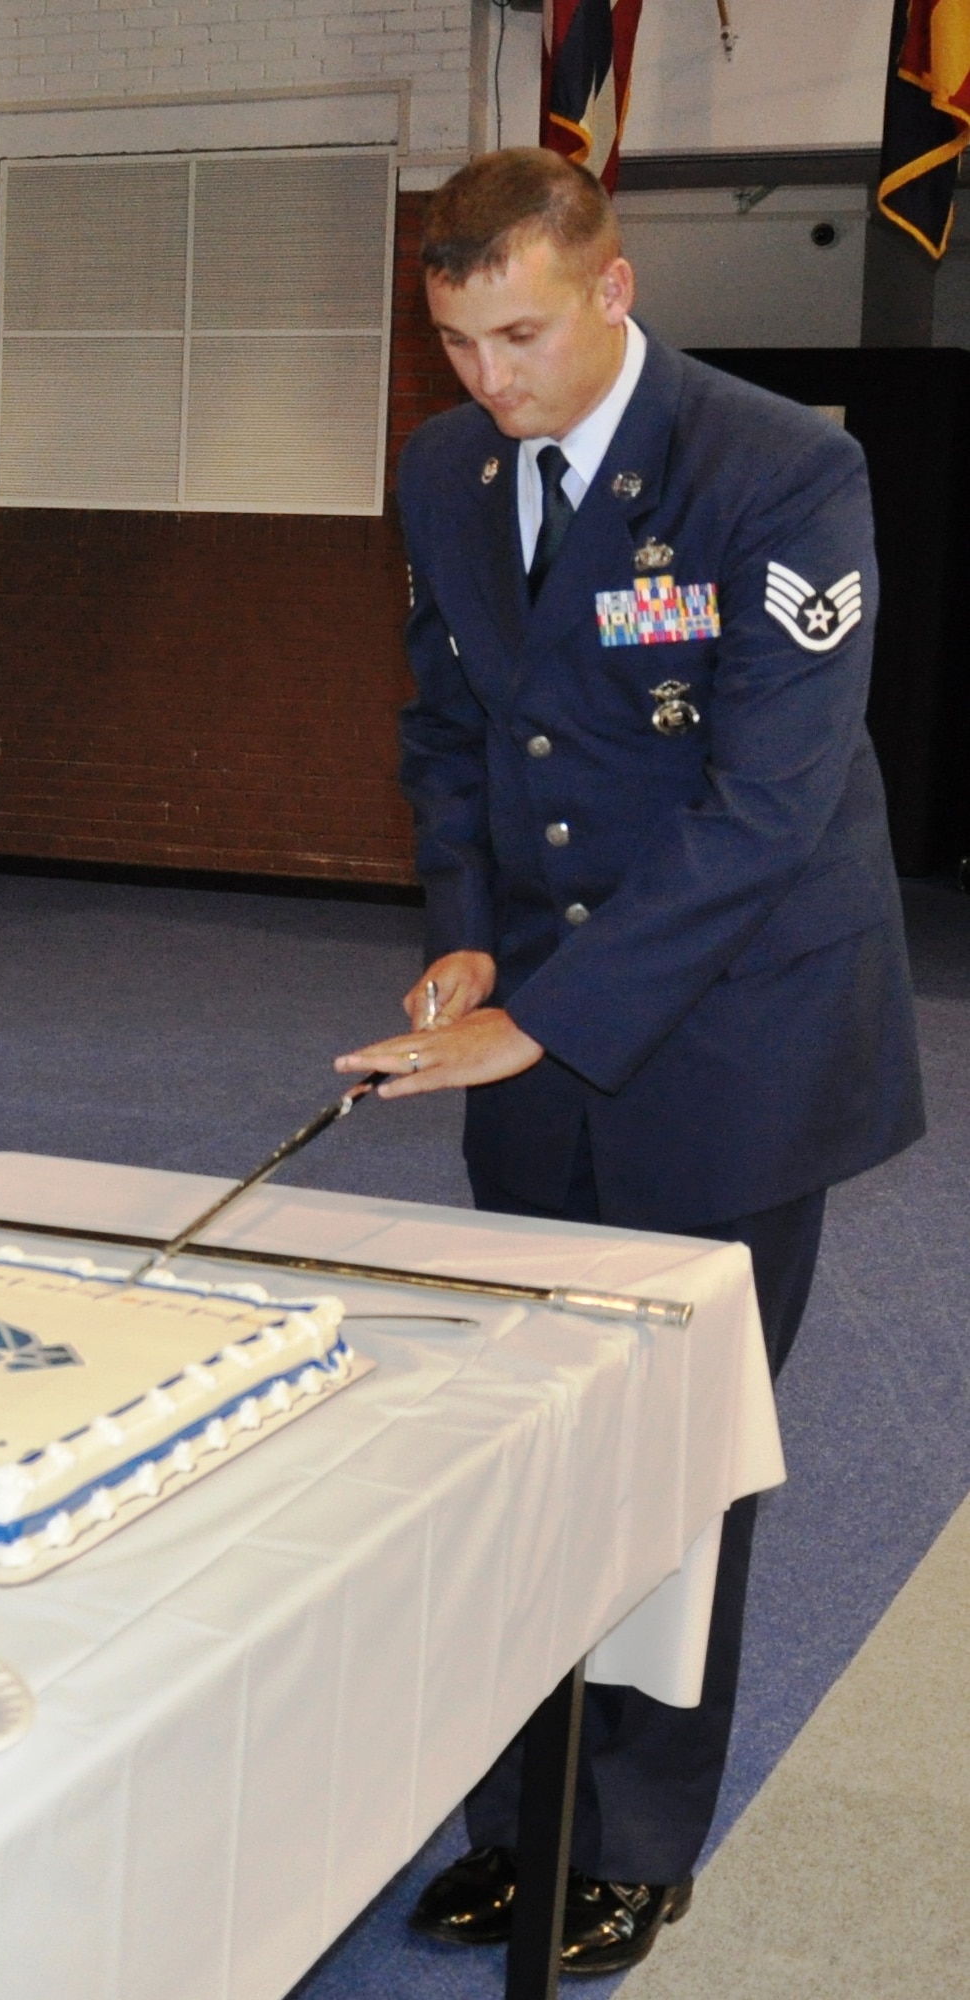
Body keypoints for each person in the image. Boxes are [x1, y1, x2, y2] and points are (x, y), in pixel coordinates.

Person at [335, 148, 924, 1977]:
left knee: (671, 1463)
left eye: (519, 333)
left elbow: (769, 809)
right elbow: (450, 727)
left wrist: (547, 1015)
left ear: (616, 287)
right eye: (454, 342)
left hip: (739, 1043)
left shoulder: (782, 471)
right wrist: (464, 927)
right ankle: (516, 1820)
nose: (487, 382)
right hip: (530, 1037)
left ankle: (635, 1840)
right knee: (520, 1448)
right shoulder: (446, 470)